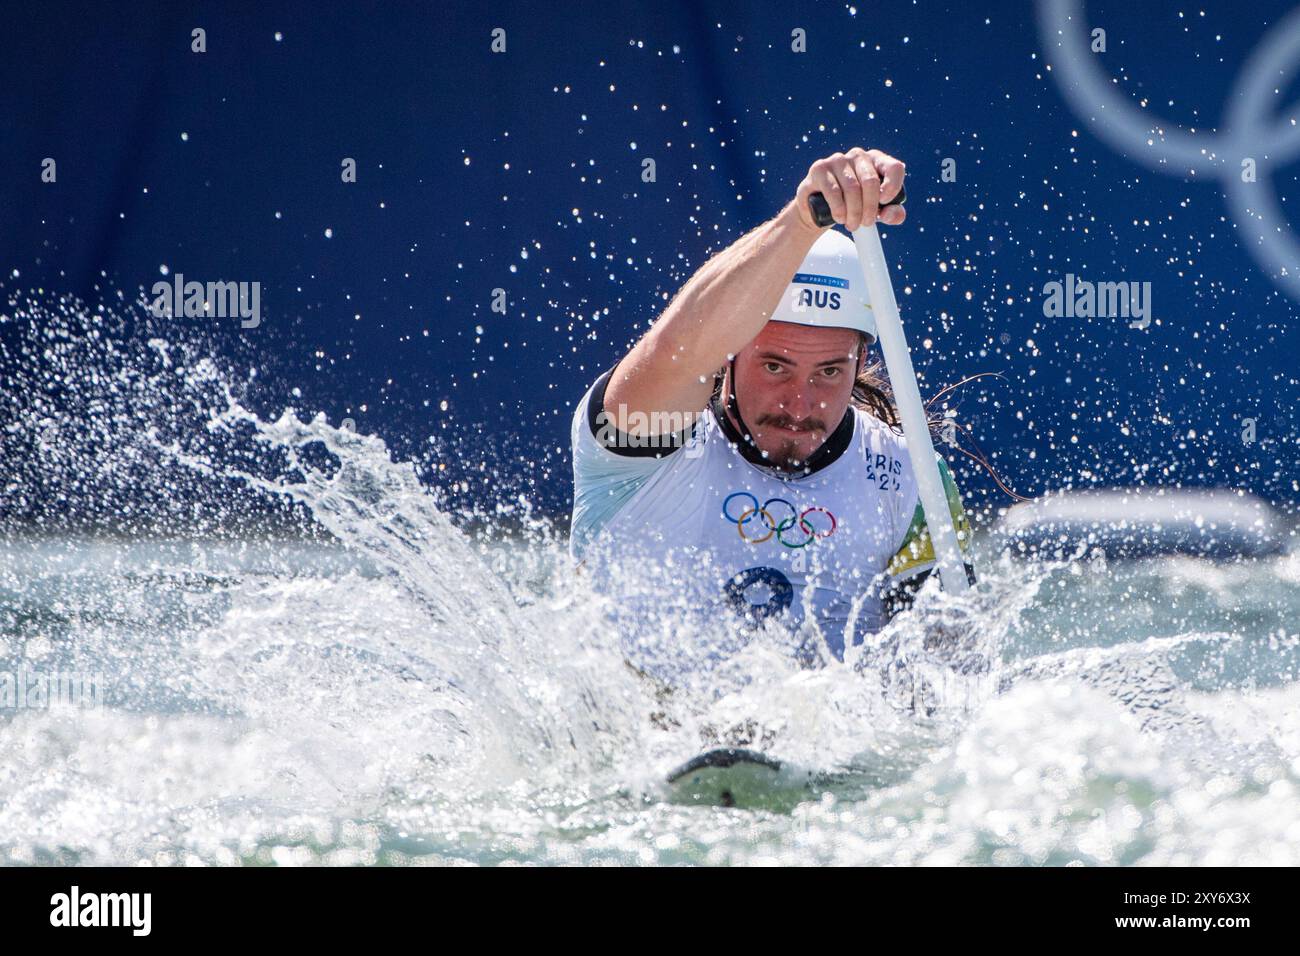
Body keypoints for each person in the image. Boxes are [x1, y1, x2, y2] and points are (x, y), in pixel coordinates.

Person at [569, 147, 974, 674]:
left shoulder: (911, 478)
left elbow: (939, 690)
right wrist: (805, 219)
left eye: (828, 372)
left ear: (861, 362)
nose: (800, 405)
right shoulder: (644, 438)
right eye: (776, 367)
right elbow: (678, 349)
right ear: (728, 355)